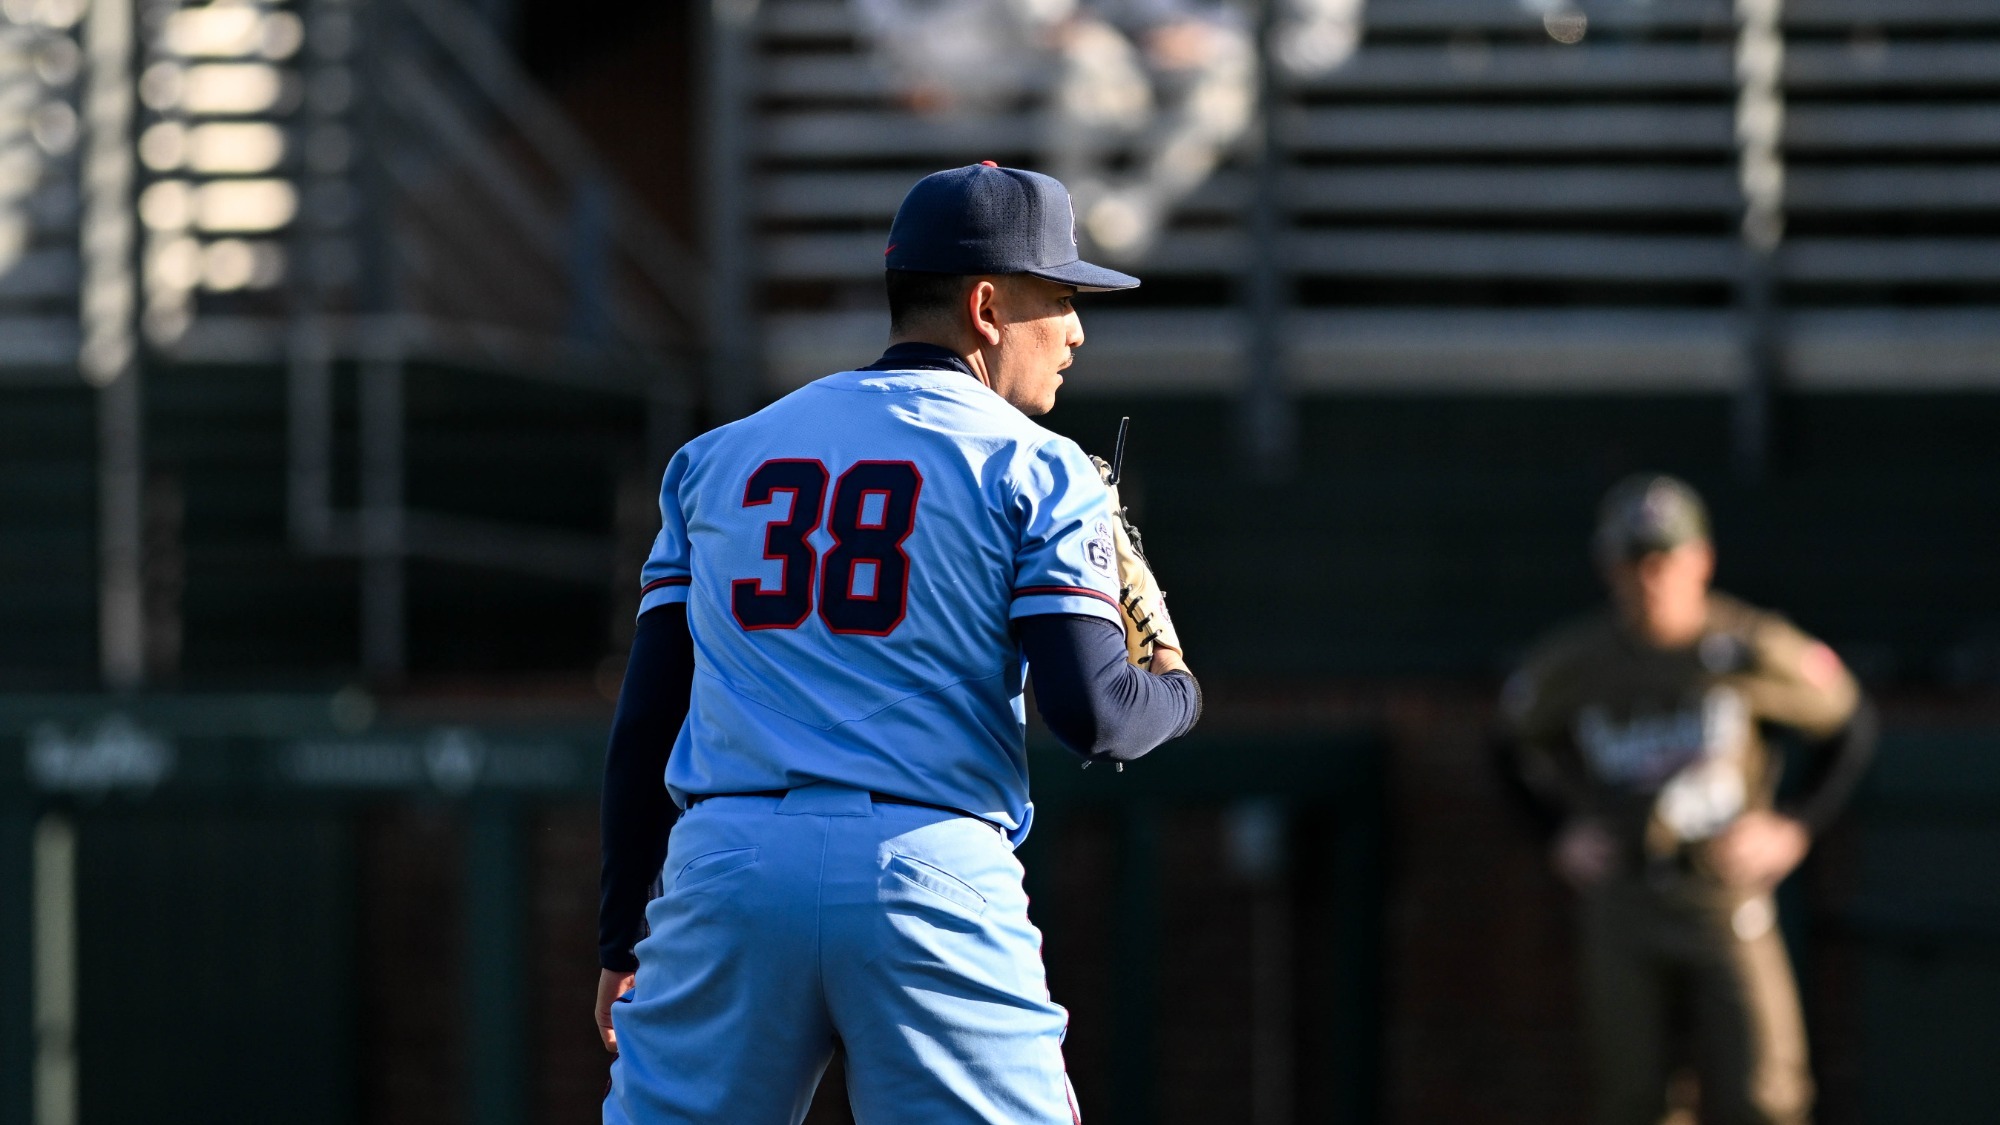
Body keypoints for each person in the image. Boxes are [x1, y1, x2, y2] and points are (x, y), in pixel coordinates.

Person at [594, 163, 1202, 1125]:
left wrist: (626, 933)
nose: (1078, 331)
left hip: (728, 867)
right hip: (929, 867)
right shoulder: (1036, 465)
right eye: (1063, 298)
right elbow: (1098, 718)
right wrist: (1176, 687)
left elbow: (647, 720)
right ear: (989, 305)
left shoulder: (715, 457)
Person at [1498, 474, 1876, 1125]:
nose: (1650, 577)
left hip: (1724, 895)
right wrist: (1558, 830)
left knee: (1765, 1091)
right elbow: (1507, 740)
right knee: (1634, 1097)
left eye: (1664, 558)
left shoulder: (1743, 646)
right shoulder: (1580, 661)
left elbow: (1848, 721)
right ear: (1607, 566)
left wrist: (1793, 824)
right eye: (1633, 561)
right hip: (1626, 894)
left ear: (1700, 559)